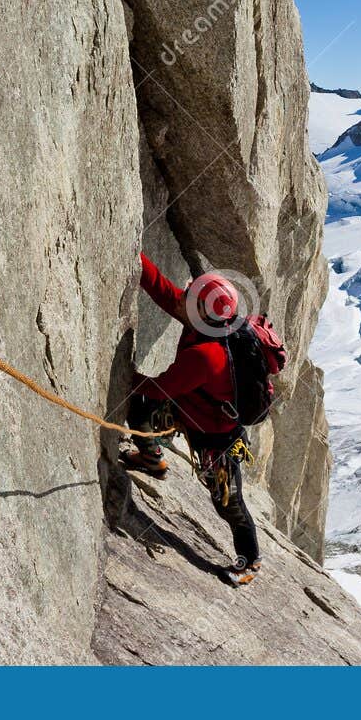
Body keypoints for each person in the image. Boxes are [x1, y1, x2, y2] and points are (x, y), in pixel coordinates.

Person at [123, 251, 262, 587]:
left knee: (229, 503)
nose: (184, 294)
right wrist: (135, 254)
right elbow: (165, 293)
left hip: (214, 437)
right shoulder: (210, 323)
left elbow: (159, 388)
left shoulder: (206, 357)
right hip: (193, 411)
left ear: (201, 311)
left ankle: (250, 560)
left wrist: (119, 376)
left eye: (191, 295)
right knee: (140, 406)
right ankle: (151, 459)